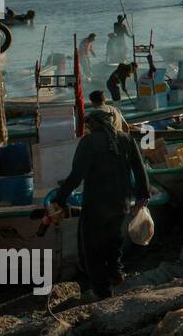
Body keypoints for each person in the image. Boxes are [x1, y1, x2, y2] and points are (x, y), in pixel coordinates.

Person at [50, 107, 150, 298]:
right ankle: (116, 272)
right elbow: (139, 170)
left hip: (96, 205)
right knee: (114, 240)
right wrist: (143, 196)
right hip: (121, 203)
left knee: (92, 249)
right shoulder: (127, 139)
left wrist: (60, 198)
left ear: (95, 124)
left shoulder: (88, 142)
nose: (87, 127)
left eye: (88, 124)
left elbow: (76, 175)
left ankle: (102, 291)